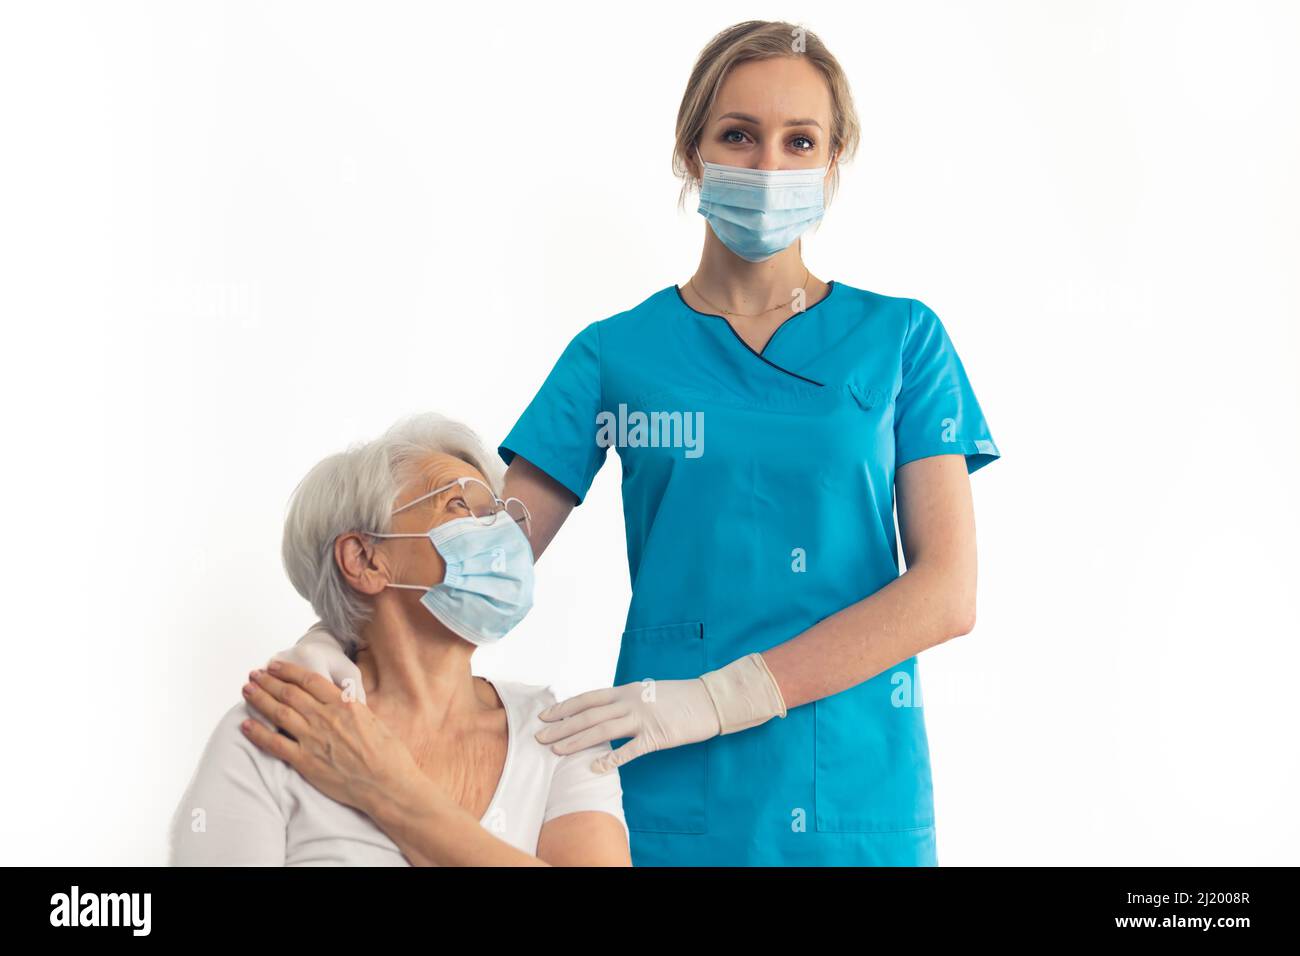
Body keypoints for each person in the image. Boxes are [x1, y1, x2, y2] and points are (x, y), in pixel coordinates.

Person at [269, 19, 1000, 866]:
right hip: (666, 787)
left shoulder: (904, 340)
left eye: (799, 141)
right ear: (692, 153)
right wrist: (333, 647)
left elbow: (947, 593)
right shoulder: (614, 355)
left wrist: (720, 698)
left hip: (852, 789)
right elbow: (483, 564)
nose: (768, 166)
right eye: (738, 135)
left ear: (834, 164)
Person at [168, 412, 630, 865]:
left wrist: (390, 790)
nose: (502, 536)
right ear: (365, 559)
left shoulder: (562, 736)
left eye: (496, 514)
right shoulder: (280, 728)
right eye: (459, 505)